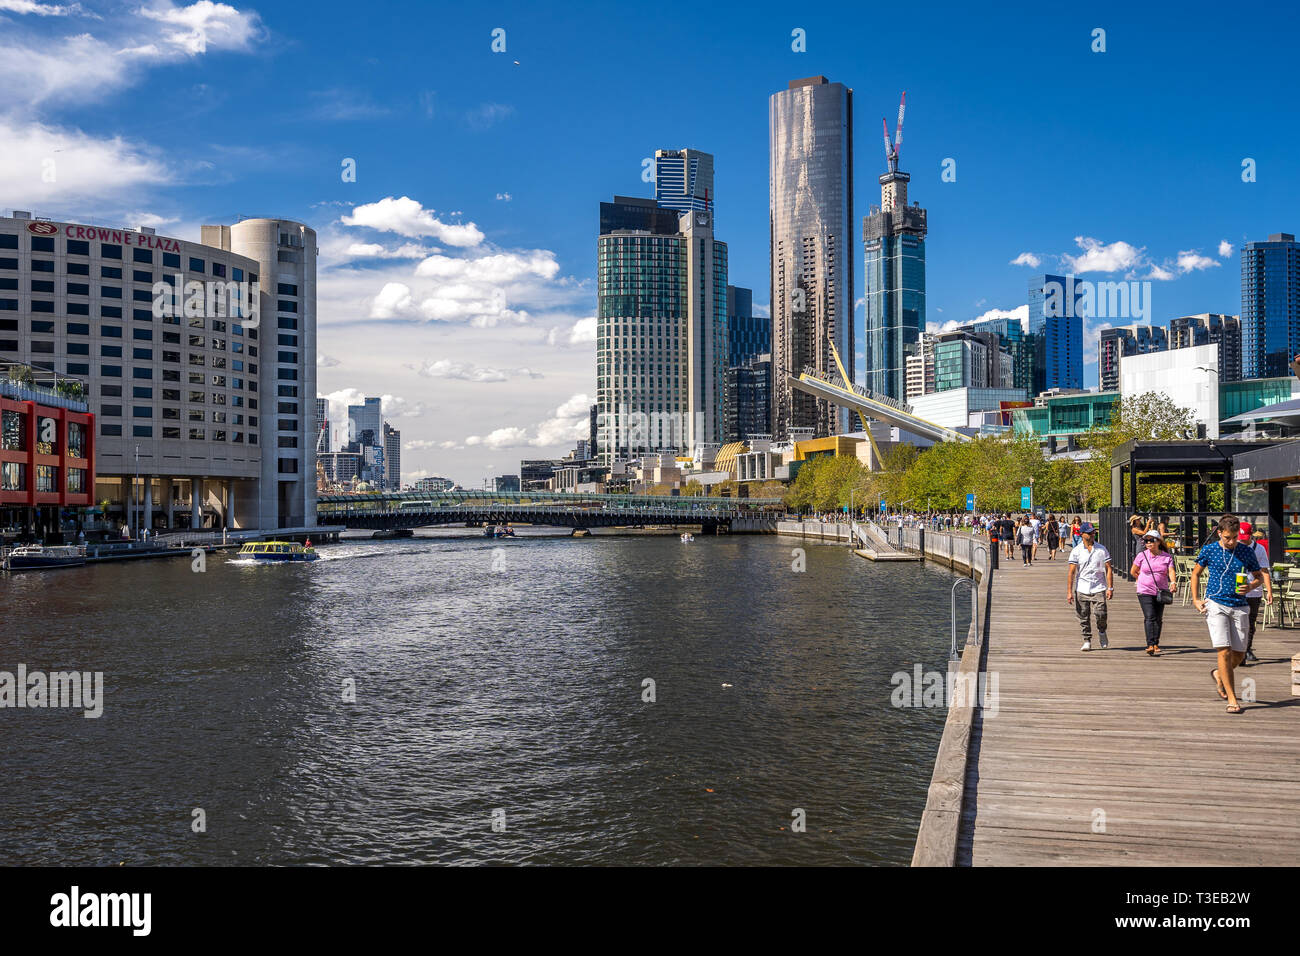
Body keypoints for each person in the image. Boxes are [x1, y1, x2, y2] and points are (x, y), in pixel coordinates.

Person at [1190, 514, 1265, 715]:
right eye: (1227, 538)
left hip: (1240, 605)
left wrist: (1250, 586)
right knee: (1223, 651)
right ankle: (1232, 699)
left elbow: (1259, 577)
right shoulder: (1210, 550)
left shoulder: (1245, 552)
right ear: (1220, 533)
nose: (1231, 542)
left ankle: (1218, 674)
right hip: (1216, 603)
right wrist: (1196, 599)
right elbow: (1195, 573)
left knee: (1239, 655)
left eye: (1234, 538)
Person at [1067, 522, 1113, 650]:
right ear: (1082, 534)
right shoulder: (1076, 551)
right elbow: (1071, 572)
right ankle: (1087, 639)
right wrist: (1069, 592)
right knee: (1083, 615)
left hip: (1098, 586)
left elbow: (1109, 568)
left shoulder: (1101, 549)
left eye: (1093, 532)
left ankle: (1102, 631)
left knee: (1101, 614)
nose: (1093, 534)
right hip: (1082, 587)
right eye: (1090, 532)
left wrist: (1110, 587)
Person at [1131, 530, 1174, 655]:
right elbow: (1133, 571)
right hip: (1144, 590)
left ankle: (1156, 643)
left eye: (1151, 540)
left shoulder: (1167, 557)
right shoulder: (1142, 555)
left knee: (1158, 618)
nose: (1148, 543)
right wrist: (1141, 579)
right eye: (1146, 541)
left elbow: (1171, 571)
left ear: (1158, 542)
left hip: (1161, 590)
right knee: (1149, 616)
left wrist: (1173, 582)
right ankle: (1150, 644)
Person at [1238, 521, 1271, 665]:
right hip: (1238, 591)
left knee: (1250, 622)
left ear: (1251, 535)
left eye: (1244, 539)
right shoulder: (1235, 547)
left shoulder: (1259, 549)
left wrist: (1269, 591)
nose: (1242, 541)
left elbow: (1264, 571)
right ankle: (1241, 651)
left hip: (1254, 591)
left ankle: (1247, 649)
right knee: (1238, 622)